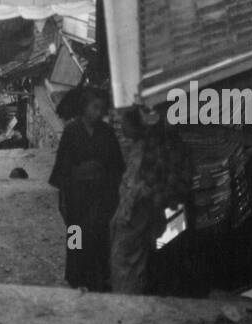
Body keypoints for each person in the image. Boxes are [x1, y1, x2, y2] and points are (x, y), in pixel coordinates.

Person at [48, 85, 125, 291]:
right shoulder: (71, 131)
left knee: (99, 236)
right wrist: (77, 176)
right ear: (85, 108)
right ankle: (75, 276)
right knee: (75, 234)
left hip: (100, 196)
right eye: (95, 107)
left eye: (102, 109)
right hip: (76, 196)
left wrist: (103, 176)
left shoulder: (107, 133)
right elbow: (62, 166)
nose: (98, 113)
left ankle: (99, 279)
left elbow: (116, 166)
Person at [110, 101, 191, 295]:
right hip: (153, 214)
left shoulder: (145, 150)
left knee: (127, 260)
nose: (121, 127)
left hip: (140, 214)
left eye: (124, 123)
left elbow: (138, 188)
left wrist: (123, 217)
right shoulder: (149, 146)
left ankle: (126, 300)